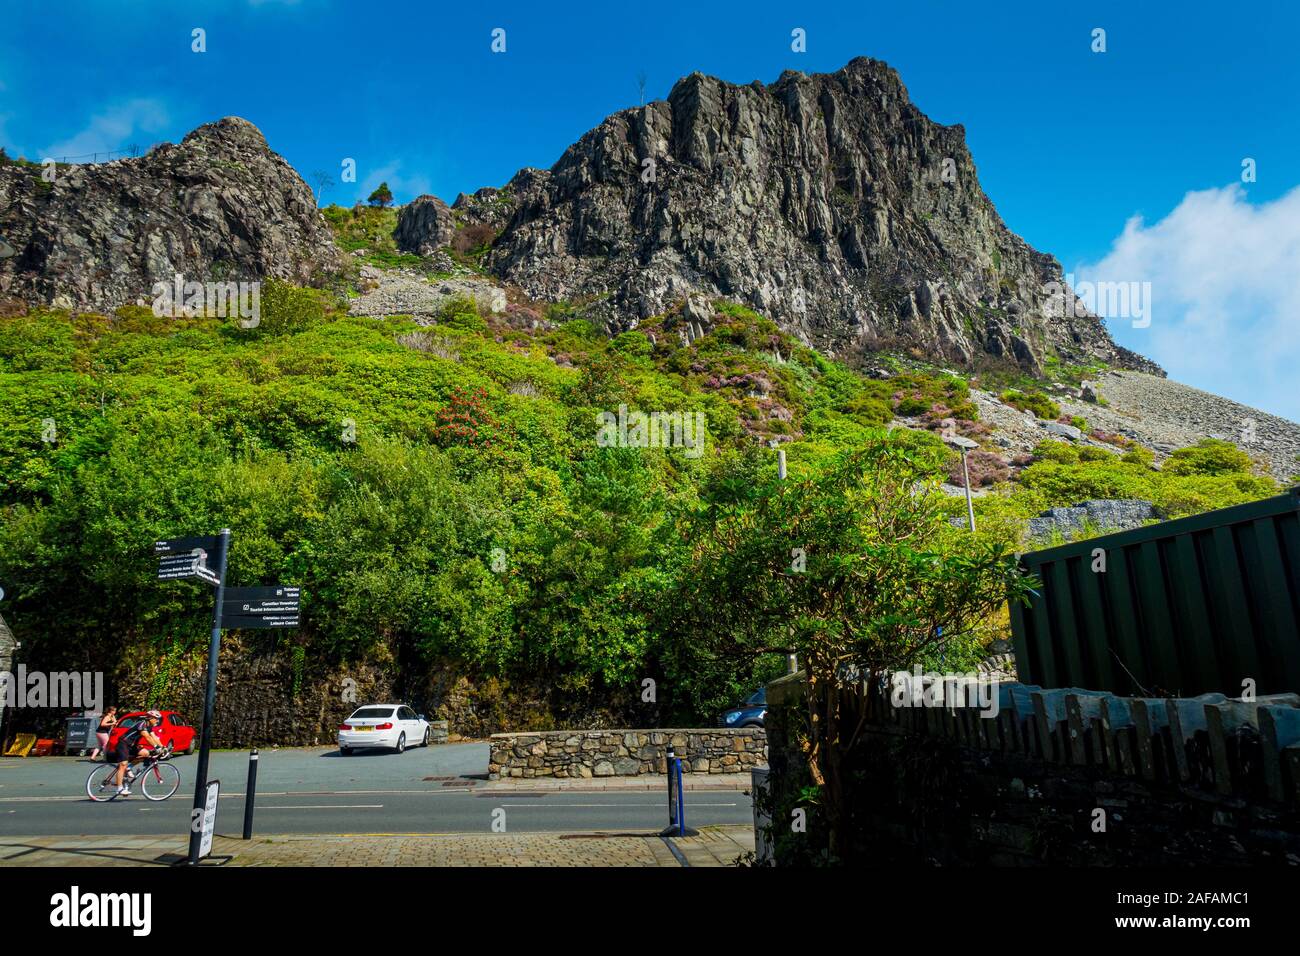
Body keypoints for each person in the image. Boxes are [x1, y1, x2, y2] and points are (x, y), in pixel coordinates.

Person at [106, 711, 164, 798]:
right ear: (150, 718)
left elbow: (154, 737)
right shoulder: (141, 724)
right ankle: (119, 788)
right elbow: (147, 737)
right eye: (156, 719)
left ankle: (129, 768)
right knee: (123, 764)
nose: (157, 721)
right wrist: (156, 747)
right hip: (123, 744)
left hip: (132, 745)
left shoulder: (150, 727)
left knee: (146, 753)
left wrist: (163, 747)